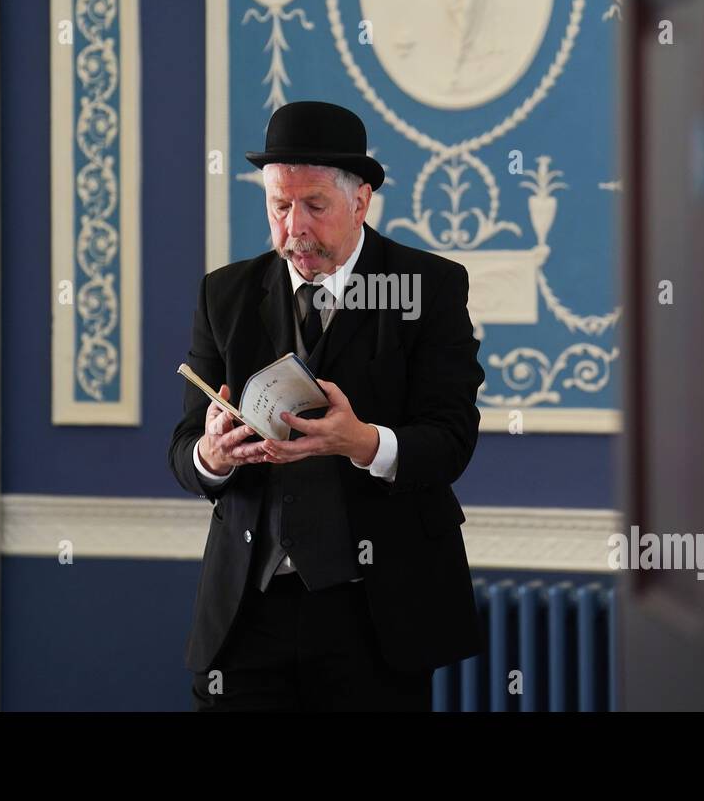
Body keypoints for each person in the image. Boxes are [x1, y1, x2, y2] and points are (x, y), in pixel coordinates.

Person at [168, 100, 485, 711]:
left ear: (360, 201)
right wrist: (212, 454)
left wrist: (362, 442)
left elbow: (451, 441)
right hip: (246, 614)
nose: (295, 229)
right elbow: (183, 452)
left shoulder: (429, 287)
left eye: (314, 206)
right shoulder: (224, 294)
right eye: (279, 207)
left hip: (376, 616)